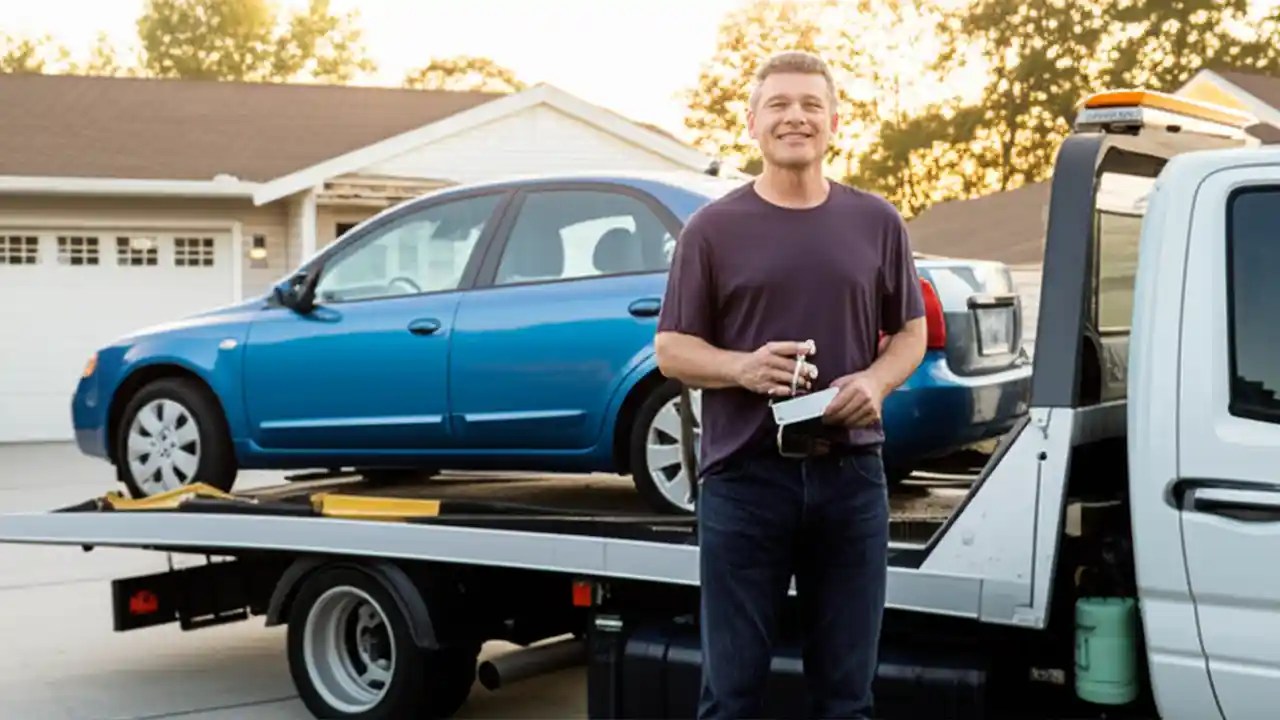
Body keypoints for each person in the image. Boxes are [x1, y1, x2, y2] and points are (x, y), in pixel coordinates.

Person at [654, 50, 927, 720]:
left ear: (835, 121)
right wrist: (740, 367)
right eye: (778, 104)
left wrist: (876, 380)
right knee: (731, 696)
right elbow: (670, 350)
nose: (795, 117)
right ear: (752, 123)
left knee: (847, 697)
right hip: (746, 482)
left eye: (810, 104)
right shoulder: (711, 230)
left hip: (852, 482)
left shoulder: (878, 222)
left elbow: (912, 333)